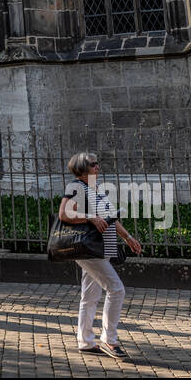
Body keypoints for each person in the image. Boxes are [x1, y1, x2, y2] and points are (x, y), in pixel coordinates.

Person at [58, 152, 142, 361]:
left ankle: (85, 341)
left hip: (100, 248)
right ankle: (109, 340)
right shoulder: (76, 187)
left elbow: (111, 218)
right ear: (81, 169)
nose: (98, 167)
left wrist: (127, 237)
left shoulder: (95, 189)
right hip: (88, 249)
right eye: (93, 165)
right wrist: (90, 217)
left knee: (90, 296)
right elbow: (64, 214)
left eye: (97, 164)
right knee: (116, 289)